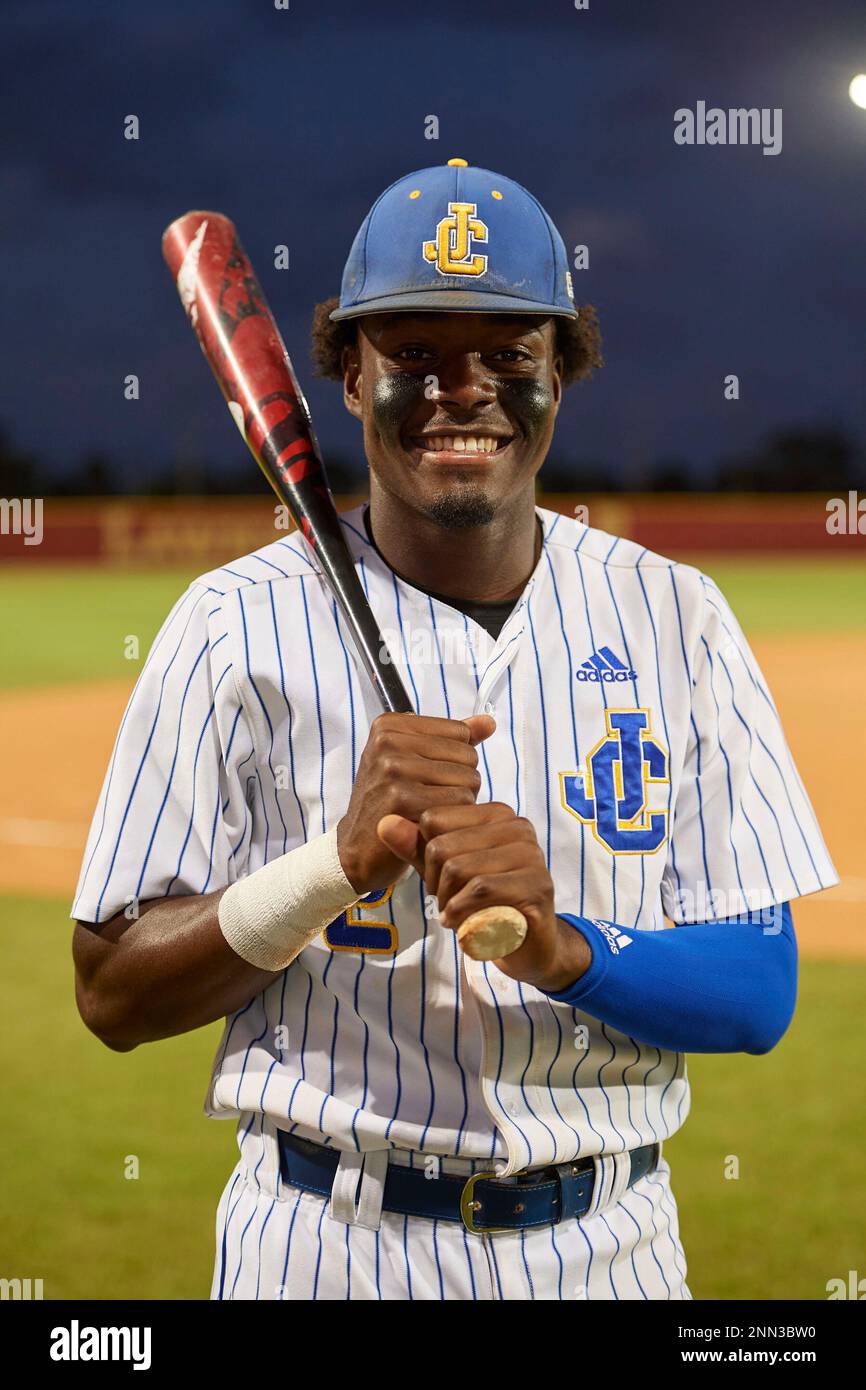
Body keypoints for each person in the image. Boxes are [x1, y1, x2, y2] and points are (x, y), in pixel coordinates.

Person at [72, 158, 837, 1301]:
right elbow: (113, 995)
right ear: (345, 376)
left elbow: (756, 989)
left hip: (609, 1247)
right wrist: (333, 864)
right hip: (324, 1243)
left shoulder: (676, 614)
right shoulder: (232, 625)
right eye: (413, 356)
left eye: (505, 356)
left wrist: (558, 949)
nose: (458, 390)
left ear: (558, 374)